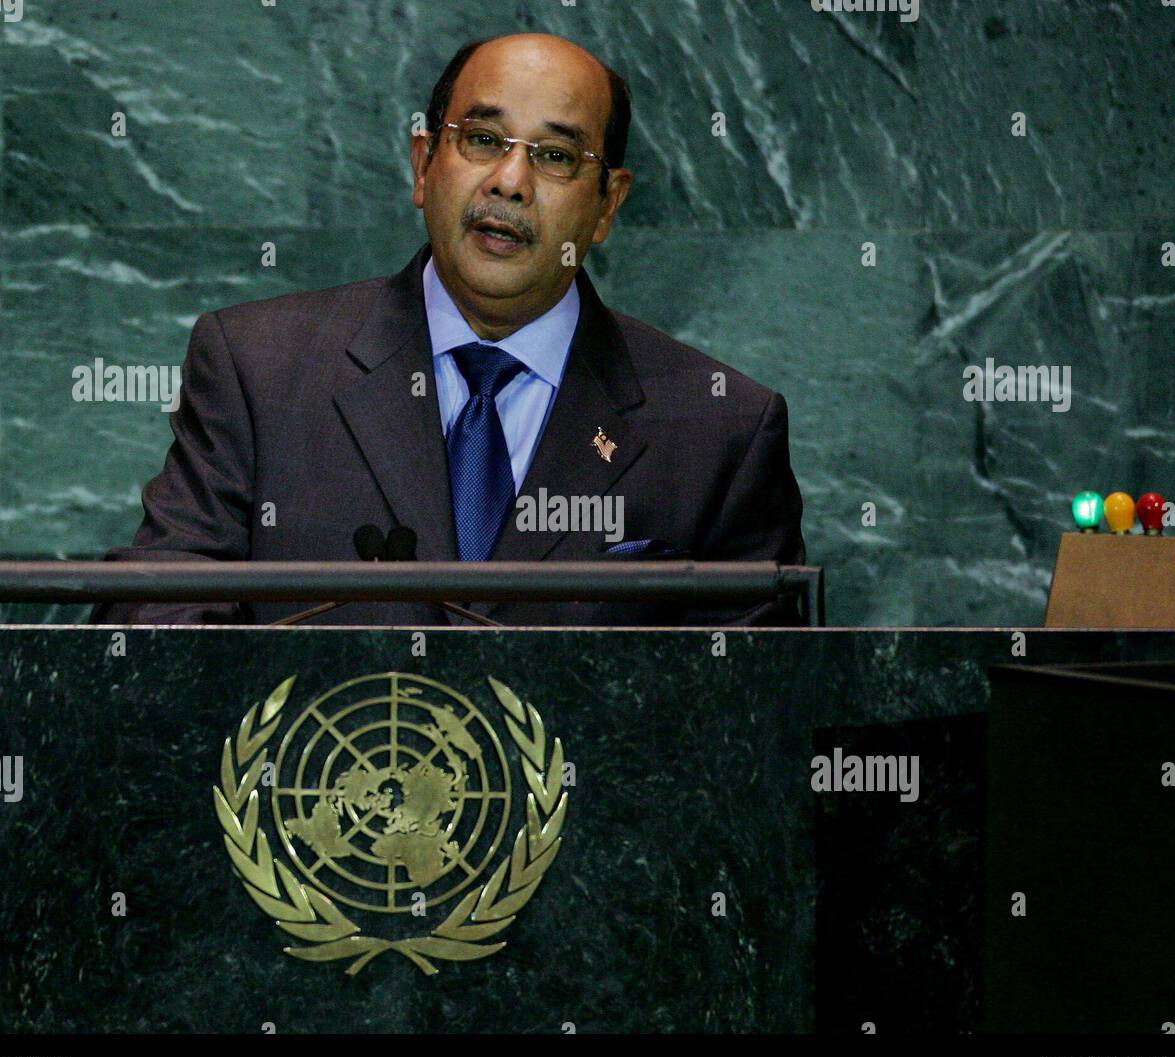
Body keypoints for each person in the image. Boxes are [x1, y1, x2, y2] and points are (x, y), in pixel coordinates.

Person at [92, 32, 806, 627]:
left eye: (556, 156)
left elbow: (751, 727)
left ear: (606, 205)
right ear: (423, 165)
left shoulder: (720, 429)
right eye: (483, 139)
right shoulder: (258, 370)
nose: (509, 181)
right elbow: (156, 624)